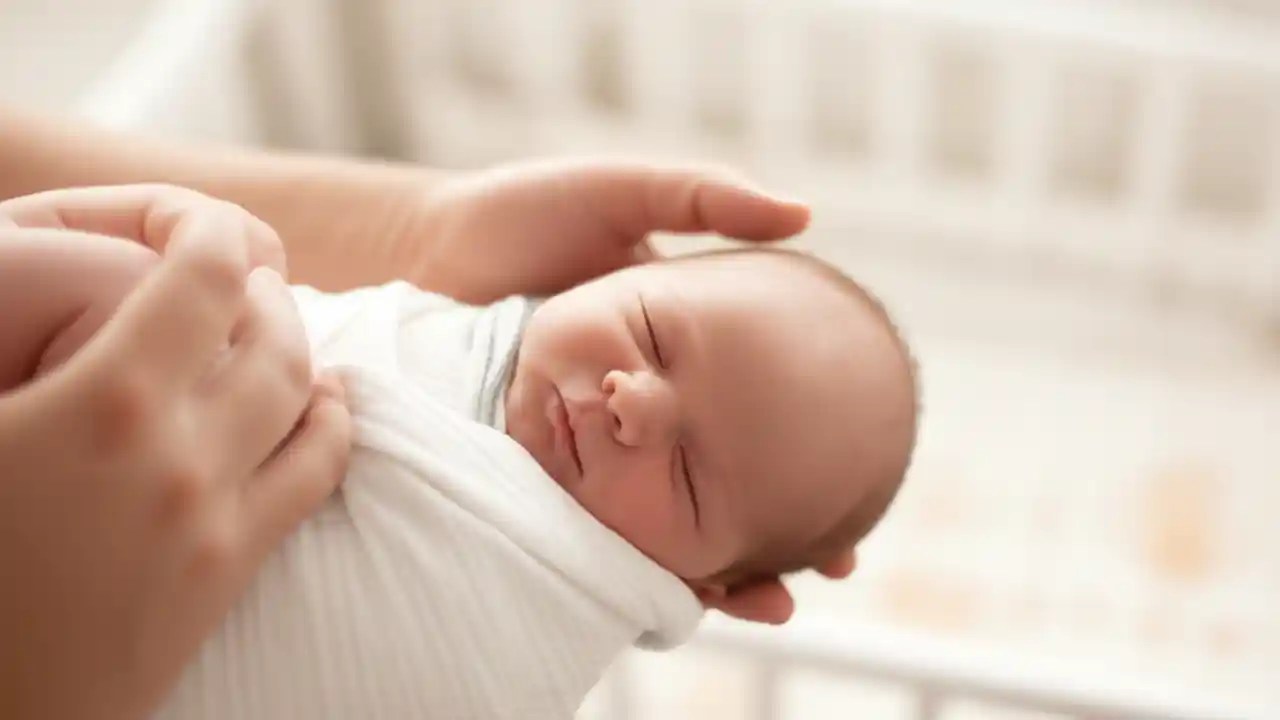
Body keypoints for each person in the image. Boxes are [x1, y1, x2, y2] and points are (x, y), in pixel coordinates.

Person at [0, 110, 854, 719]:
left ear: (710, 584)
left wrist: (419, 232)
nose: (634, 404)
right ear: (596, 285)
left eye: (688, 473)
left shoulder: (556, 612)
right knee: (121, 286)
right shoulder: (450, 330)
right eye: (651, 336)